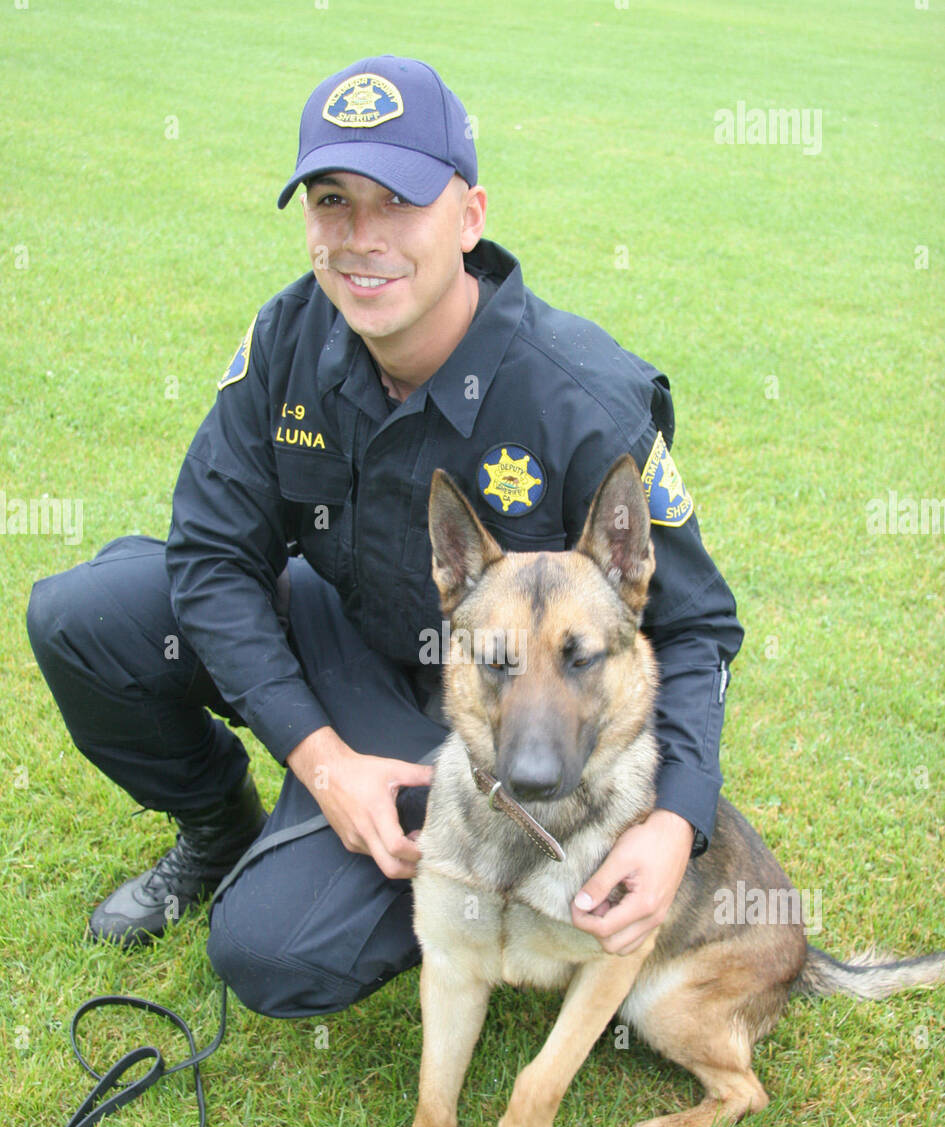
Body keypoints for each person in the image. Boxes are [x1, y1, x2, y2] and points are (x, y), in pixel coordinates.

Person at [26, 56, 743, 1019]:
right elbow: (209, 555)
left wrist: (675, 823)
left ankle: (415, 873)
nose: (361, 241)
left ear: (469, 216)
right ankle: (220, 825)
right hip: (336, 630)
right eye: (331, 201)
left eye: (398, 201)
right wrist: (320, 760)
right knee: (83, 616)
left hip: (467, 722)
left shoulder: (580, 401)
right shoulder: (287, 338)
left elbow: (693, 629)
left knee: (273, 956)